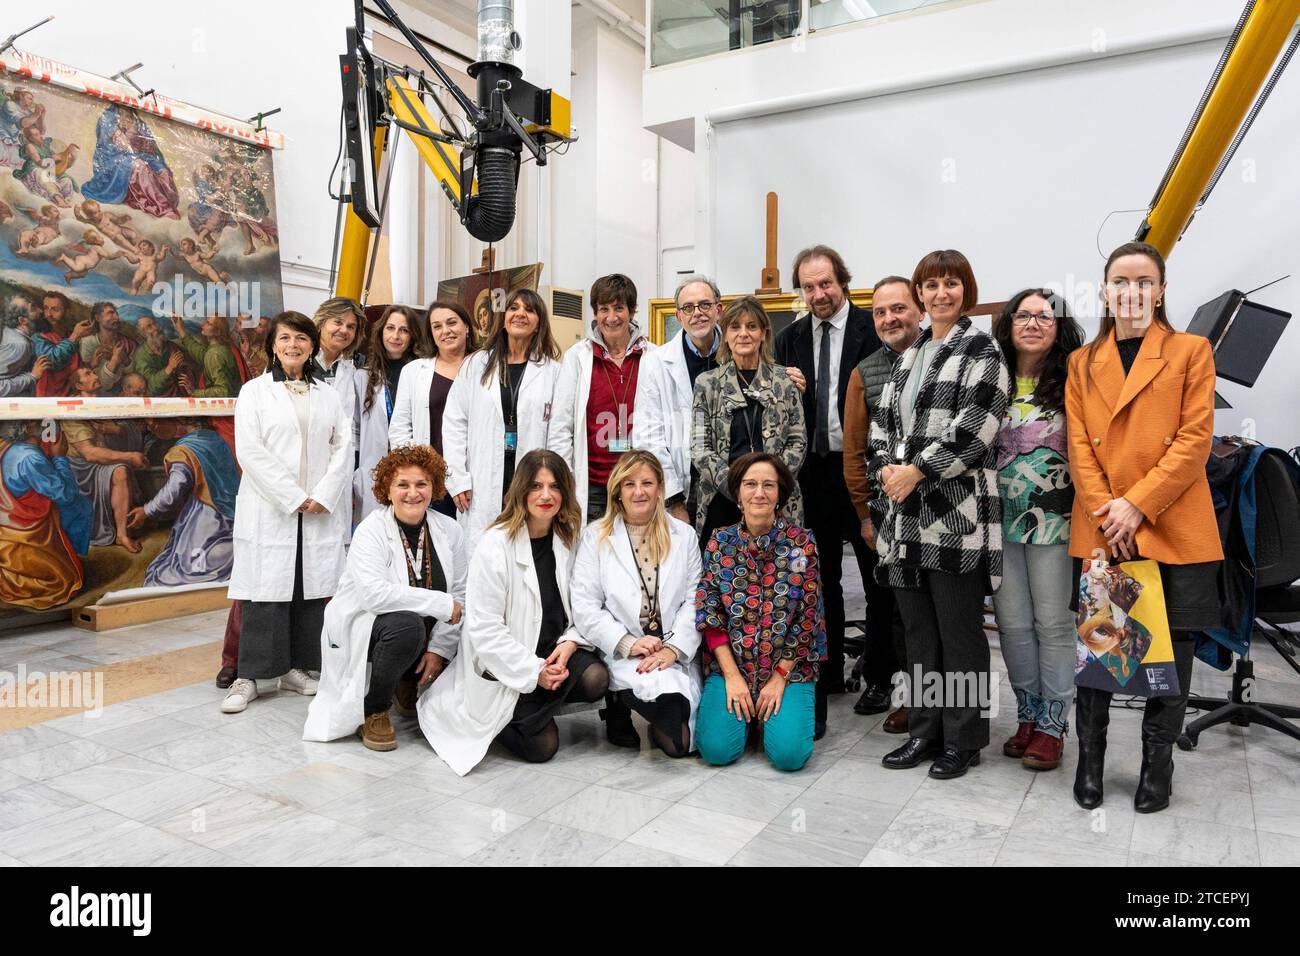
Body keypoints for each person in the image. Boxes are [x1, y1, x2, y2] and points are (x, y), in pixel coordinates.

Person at [1066, 241, 1222, 814]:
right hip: (1106, 527)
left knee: (1169, 658)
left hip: (1170, 522)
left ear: (1160, 290)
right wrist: (1111, 510)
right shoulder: (1082, 362)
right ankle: (1091, 764)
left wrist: (1138, 504)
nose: (1130, 291)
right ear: (1105, 292)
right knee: (1102, 655)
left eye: (1143, 281)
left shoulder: (1191, 351)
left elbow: (1194, 440)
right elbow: (1079, 446)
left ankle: (1160, 765)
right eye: (1119, 282)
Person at [871, 249, 1009, 780]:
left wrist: (918, 471)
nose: (940, 294)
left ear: (965, 289)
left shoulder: (982, 349)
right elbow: (884, 425)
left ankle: (965, 737)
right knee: (920, 635)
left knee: (960, 634)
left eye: (951, 283)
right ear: (920, 294)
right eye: (930, 285)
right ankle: (925, 731)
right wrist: (887, 468)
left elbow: (978, 427)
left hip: (955, 519)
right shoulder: (911, 354)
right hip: (902, 520)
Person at [419, 449, 608, 774]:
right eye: (536, 486)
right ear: (521, 490)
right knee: (542, 748)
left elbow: (583, 605)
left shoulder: (567, 538)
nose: (546, 495)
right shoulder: (495, 545)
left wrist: (570, 643)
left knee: (596, 679)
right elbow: (485, 632)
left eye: (554, 486)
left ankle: (535, 705)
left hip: (552, 649)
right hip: (506, 662)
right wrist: (535, 672)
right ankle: (511, 717)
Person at [775, 244, 883, 737]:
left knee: (876, 575)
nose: (818, 294)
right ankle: (831, 668)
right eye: (809, 286)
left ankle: (880, 675)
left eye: (826, 284)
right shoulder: (790, 338)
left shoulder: (872, 329)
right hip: (813, 474)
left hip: (861, 469)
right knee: (821, 581)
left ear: (843, 281)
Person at [222, 311, 353, 714]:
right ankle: (250, 676)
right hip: (271, 507)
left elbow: (343, 447)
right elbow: (250, 451)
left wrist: (325, 494)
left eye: (301, 338)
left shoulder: (328, 395)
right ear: (273, 347)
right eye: (285, 338)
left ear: (312, 346)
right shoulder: (254, 393)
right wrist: (293, 496)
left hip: (318, 508)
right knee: (264, 590)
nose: (293, 345)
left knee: (307, 589)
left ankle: (297, 668)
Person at [305, 445, 468, 752]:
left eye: (421, 484)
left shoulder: (450, 530)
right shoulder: (371, 530)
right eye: (402, 485)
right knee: (406, 626)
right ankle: (375, 708)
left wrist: (440, 649)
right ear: (387, 490)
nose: (412, 493)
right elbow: (374, 596)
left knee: (466, 623)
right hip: (370, 626)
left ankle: (408, 678)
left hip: (425, 629)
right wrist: (441, 605)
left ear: (434, 488)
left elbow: (459, 592)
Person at [991, 289, 1084, 771]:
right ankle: (1026, 715)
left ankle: (1053, 724)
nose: (1032, 323)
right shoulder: (992, 379)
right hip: (996, 522)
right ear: (1008, 325)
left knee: (1053, 622)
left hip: (1057, 521)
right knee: (1013, 623)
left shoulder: (1076, 379)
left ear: (1059, 326)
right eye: (1023, 315)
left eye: (1043, 316)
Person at [695, 452, 824, 771]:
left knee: (789, 757)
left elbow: (808, 617)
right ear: (737, 493)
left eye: (769, 485)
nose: (759, 492)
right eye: (750, 484)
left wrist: (780, 676)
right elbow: (709, 614)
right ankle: (750, 715)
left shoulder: (802, 544)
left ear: (780, 493)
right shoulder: (719, 542)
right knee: (716, 751)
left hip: (788, 668)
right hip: (732, 667)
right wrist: (732, 676)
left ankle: (768, 714)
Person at [571, 450, 703, 757]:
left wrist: (674, 648)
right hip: (626, 649)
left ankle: (658, 706)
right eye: (629, 484)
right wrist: (627, 643)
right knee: (675, 738)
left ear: (660, 488)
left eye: (647, 482)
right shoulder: (595, 537)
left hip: (671, 650)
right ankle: (620, 703)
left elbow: (696, 599)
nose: (639, 491)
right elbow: (586, 606)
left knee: (678, 745)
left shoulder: (684, 535)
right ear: (617, 491)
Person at [842, 276, 923, 729]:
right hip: (887, 516)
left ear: (919, 310)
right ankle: (905, 696)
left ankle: (947, 706)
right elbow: (854, 453)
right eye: (880, 312)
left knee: (937, 616)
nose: (890, 319)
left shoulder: (943, 358)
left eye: (899, 308)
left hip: (943, 513)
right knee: (894, 609)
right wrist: (864, 516)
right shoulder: (865, 373)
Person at [442, 288, 562, 554]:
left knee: (527, 558)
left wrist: (553, 483)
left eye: (529, 310)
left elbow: (559, 431)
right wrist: (457, 478)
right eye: (514, 308)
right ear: (504, 317)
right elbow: (454, 422)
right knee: (483, 558)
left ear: (539, 322)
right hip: (481, 479)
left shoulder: (553, 372)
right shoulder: (476, 364)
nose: (520, 314)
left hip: (531, 476)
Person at [691, 295, 806, 547]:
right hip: (723, 498)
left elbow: (797, 442)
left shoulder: (785, 381)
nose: (743, 334)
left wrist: (768, 484)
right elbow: (700, 448)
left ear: (763, 333)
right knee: (724, 581)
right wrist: (737, 488)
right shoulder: (707, 384)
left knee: (779, 579)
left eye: (751, 326)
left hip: (777, 498)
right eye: (735, 327)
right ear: (726, 334)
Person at [550, 274, 655, 523]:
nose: (611, 317)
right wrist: (564, 482)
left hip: (638, 483)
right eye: (603, 309)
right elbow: (560, 425)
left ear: (631, 311)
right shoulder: (577, 357)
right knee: (594, 554)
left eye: (619, 308)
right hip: (594, 485)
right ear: (595, 314)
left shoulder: (653, 356)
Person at [638, 275, 723, 526]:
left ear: (719, 309)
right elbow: (648, 435)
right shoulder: (656, 363)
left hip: (729, 487)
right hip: (684, 490)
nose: (697, 313)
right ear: (679, 317)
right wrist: (674, 500)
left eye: (705, 305)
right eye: (688, 307)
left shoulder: (737, 353)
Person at [125, 418, 240, 588]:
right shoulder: (213, 438)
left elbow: (174, 489)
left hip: (207, 515)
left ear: (177, 420)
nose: (153, 428)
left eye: (156, 423)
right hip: (232, 511)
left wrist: (147, 510)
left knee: (185, 569)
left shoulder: (184, 451)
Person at [389, 301, 477, 518]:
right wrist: (418, 465)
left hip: (472, 477)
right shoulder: (414, 371)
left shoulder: (484, 369)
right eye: (437, 326)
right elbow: (399, 429)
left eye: (452, 323)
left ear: (466, 326)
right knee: (432, 544)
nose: (445, 331)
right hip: (429, 477)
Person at [0, 419, 91, 610]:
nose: (47, 423)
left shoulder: (7, 447)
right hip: (25, 529)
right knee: (79, 506)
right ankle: (69, 555)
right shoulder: (30, 458)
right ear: (29, 427)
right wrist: (59, 457)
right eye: (40, 420)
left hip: (7, 523)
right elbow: (66, 495)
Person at [354, 305, 430, 520]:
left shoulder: (422, 373)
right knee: (377, 532)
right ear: (381, 332)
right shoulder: (363, 376)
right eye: (390, 328)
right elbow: (355, 430)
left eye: (404, 330)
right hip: (374, 466)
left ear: (413, 335)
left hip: (414, 464)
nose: (396, 336)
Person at [62, 367, 148, 553]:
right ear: (79, 385)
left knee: (121, 471)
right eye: (88, 374)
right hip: (82, 469)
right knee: (121, 469)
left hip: (102, 462)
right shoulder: (72, 408)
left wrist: (117, 430)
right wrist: (130, 456)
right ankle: (118, 533)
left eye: (94, 372)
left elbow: (131, 428)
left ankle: (121, 534)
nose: (94, 375)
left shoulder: (106, 400)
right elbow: (89, 453)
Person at [31, 292, 94, 398]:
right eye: (46, 308)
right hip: (48, 395)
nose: (48, 314)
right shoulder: (38, 338)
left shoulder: (69, 335)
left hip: (71, 392)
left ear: (67, 312)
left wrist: (91, 364)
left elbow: (74, 367)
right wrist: (75, 335)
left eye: (55, 310)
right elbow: (52, 360)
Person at [78, 302, 135, 392]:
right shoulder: (87, 343)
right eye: (111, 313)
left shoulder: (129, 344)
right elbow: (102, 384)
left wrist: (125, 359)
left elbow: (134, 374)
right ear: (97, 318)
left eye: (117, 314)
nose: (116, 317)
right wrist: (115, 360)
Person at [132, 315, 190, 397]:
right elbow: (149, 386)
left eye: (155, 324)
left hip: (178, 392)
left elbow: (186, 370)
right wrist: (170, 368)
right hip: (157, 398)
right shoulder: (141, 355)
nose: (156, 328)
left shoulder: (171, 346)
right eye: (149, 327)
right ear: (143, 334)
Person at [0, 293, 42, 397]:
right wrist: (32, 376)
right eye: (33, 308)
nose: (40, 311)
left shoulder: (9, 331)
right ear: (23, 320)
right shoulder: (19, 345)